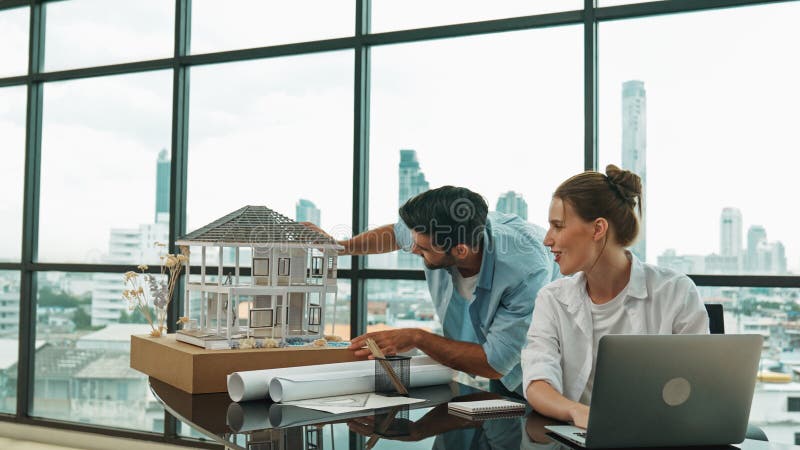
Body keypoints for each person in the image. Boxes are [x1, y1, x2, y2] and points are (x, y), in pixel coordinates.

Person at [309, 186, 558, 396]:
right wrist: (341, 247)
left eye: (424, 249)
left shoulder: (526, 272)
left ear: (460, 251)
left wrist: (417, 337)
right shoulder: (440, 231)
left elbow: (495, 363)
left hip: (540, 367)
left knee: (524, 422)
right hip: (494, 359)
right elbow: (396, 234)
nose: (413, 250)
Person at [520, 165, 709, 428]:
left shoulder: (675, 292)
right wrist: (578, 413)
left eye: (558, 226)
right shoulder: (552, 299)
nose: (547, 240)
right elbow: (537, 381)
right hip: (578, 436)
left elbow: (699, 383)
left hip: (660, 434)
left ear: (598, 229)